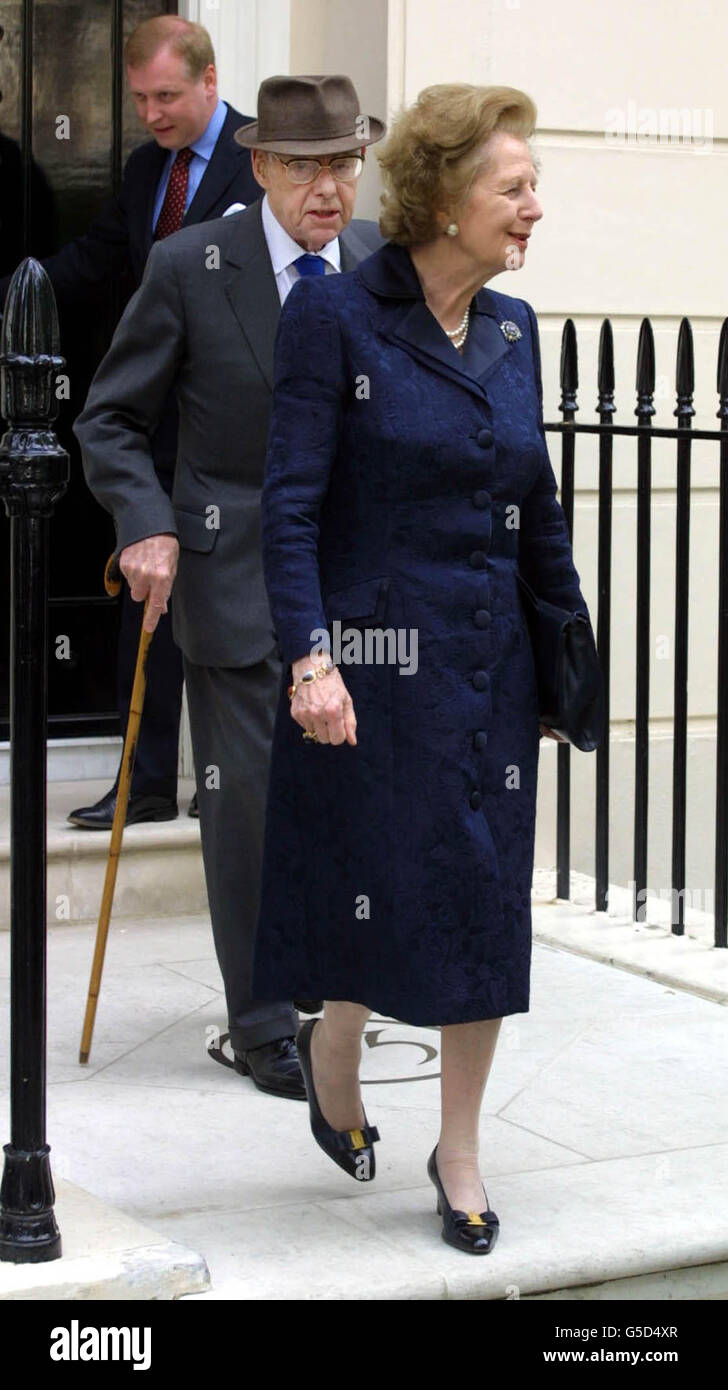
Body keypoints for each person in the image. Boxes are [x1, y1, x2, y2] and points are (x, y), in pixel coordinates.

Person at [253, 82, 592, 1249]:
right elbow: (288, 510)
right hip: (370, 665)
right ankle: (332, 1045)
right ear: (444, 199)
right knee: (380, 879)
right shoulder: (333, 320)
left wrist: (563, 657)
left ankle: (458, 1150)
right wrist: (309, 659)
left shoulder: (515, 330)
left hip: (485, 665)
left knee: (480, 903)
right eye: (513, 187)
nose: (532, 208)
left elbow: (533, 505)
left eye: (530, 186)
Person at [73, 74, 384, 1099]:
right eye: (303, 165)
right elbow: (110, 418)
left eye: (342, 162)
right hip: (235, 572)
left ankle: (334, 989)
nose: (327, 187)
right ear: (258, 166)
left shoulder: (383, 262)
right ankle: (260, 1021)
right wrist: (146, 523)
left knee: (347, 797)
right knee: (248, 803)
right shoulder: (188, 266)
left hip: (359, 584)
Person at [0, 14, 263, 829]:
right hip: (156, 424)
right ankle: (145, 780)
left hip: (231, 426)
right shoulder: (150, 168)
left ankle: (235, 787)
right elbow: (103, 256)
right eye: (141, 98)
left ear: (210, 82)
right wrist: (22, 290)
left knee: (228, 609)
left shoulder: (262, 160)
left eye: (167, 96)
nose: (151, 112)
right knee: (143, 593)